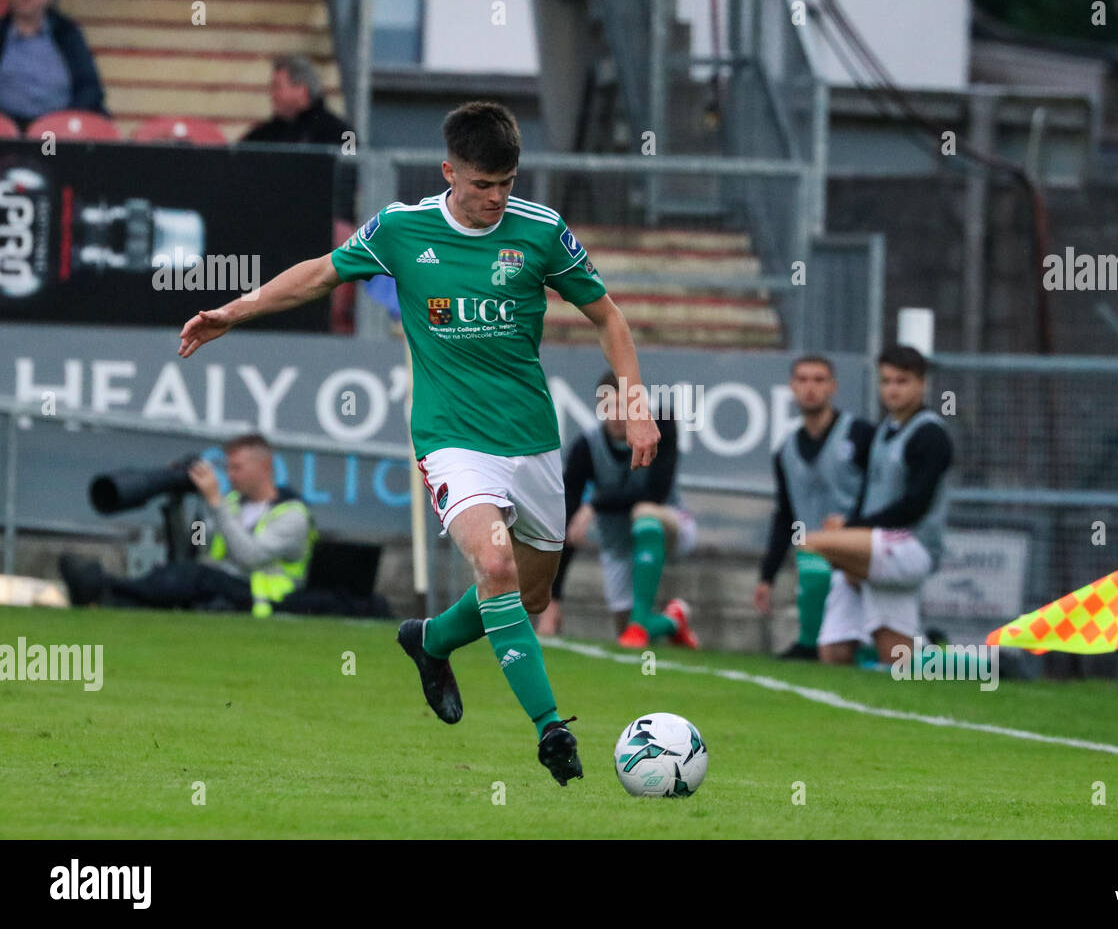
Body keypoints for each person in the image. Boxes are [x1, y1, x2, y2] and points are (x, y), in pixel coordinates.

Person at [178, 101, 659, 786]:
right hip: (451, 438)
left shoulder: (542, 231)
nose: (494, 199)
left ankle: (430, 642)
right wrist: (234, 310)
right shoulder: (403, 230)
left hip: (531, 439)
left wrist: (634, 400)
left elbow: (607, 316)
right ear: (448, 172)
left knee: (529, 597)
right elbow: (319, 273)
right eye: (480, 184)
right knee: (493, 568)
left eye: (506, 183)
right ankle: (550, 728)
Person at [798, 346, 953, 666]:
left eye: (902, 381)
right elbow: (869, 496)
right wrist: (850, 531)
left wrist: (852, 532)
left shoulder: (931, 434)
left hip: (911, 546)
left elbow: (914, 506)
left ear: (922, 384)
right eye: (886, 381)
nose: (892, 389)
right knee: (838, 651)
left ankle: (957, 661)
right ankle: (932, 655)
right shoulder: (883, 431)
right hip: (879, 547)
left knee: (809, 541)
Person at [58, 434, 315, 617]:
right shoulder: (234, 502)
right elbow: (199, 545)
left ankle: (104, 585)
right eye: (228, 467)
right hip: (219, 585)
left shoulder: (292, 514)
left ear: (265, 467)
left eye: (238, 467)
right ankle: (106, 599)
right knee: (183, 575)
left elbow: (250, 557)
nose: (231, 474)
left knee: (193, 576)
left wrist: (215, 503)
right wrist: (187, 504)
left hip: (264, 595)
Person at [544, 370, 699, 648]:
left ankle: (642, 625)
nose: (616, 414)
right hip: (618, 543)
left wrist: (595, 503)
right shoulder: (586, 447)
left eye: (624, 405)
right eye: (609, 406)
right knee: (625, 634)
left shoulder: (660, 426)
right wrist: (553, 598)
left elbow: (655, 493)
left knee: (645, 513)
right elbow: (567, 519)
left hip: (670, 525)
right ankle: (672, 621)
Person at [755, 355, 872, 660]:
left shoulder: (860, 435)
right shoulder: (786, 450)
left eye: (819, 380)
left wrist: (853, 524)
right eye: (803, 380)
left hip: (860, 554)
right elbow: (785, 515)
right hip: (816, 559)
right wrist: (767, 576)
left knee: (893, 652)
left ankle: (809, 644)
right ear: (792, 386)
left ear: (832, 387)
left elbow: (878, 492)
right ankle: (810, 643)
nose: (811, 388)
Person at [0, 0, 106, 130]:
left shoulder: (68, 33)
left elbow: (90, 88)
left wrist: (64, 118)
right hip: (6, 133)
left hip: (60, 130)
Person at [241, 55, 348, 145]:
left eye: (277, 87)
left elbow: (353, 167)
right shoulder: (263, 136)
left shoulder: (342, 134)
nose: (272, 95)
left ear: (301, 90)